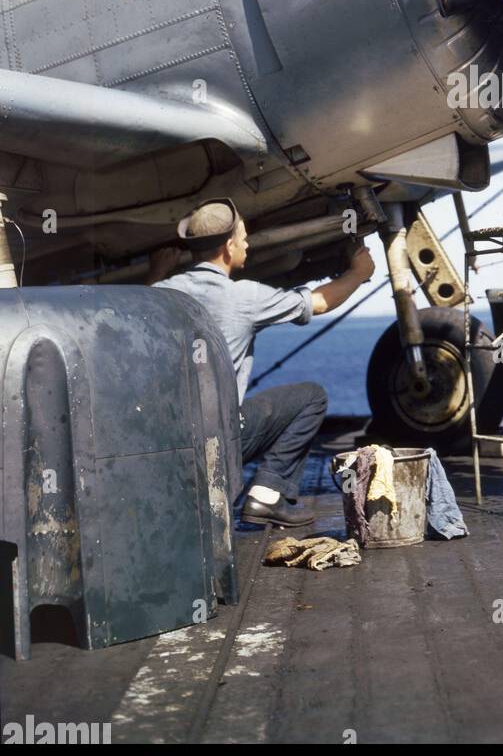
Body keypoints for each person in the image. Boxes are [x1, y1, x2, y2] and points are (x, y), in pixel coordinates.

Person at [150, 200, 375, 528]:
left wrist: (156, 272)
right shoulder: (243, 297)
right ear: (228, 248)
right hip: (220, 444)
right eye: (242, 239)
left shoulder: (162, 293)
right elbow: (319, 302)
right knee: (312, 397)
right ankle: (266, 495)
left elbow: (139, 308)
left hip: (168, 446)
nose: (247, 244)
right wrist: (359, 274)